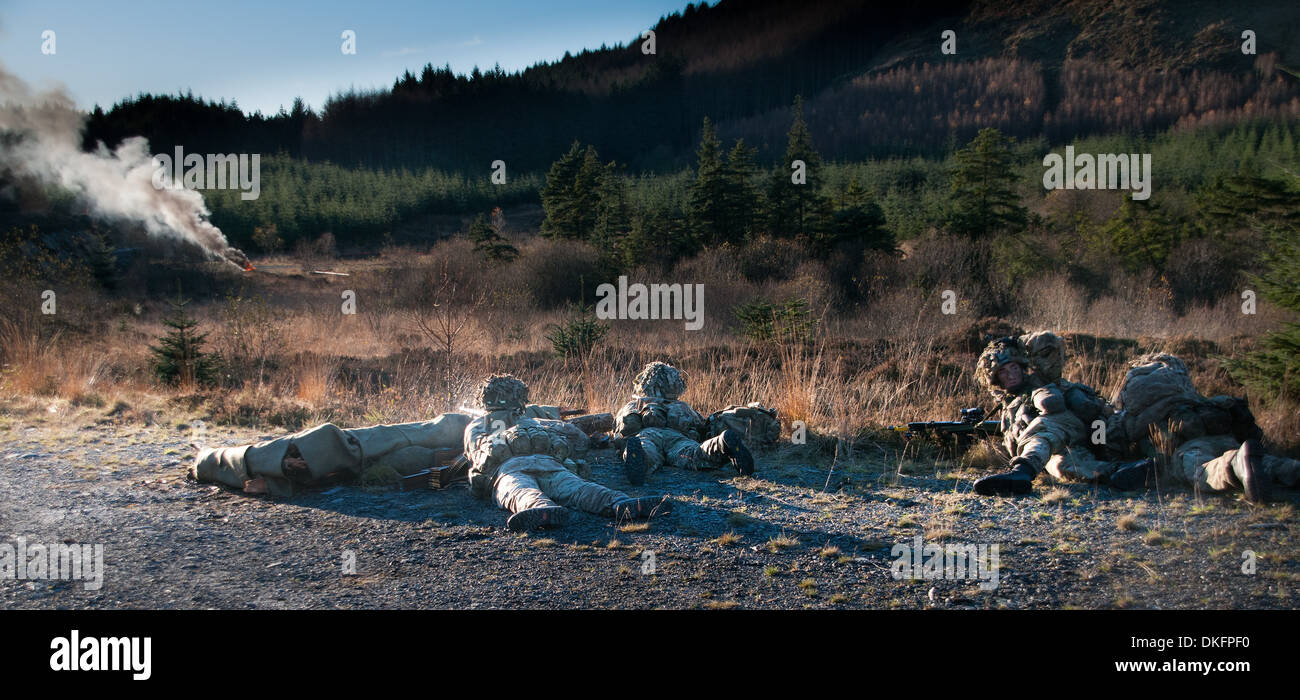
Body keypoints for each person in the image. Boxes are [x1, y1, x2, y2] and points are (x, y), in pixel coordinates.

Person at [464, 374, 672, 531]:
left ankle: (542, 511)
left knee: (522, 493)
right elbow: (575, 437)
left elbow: (475, 453)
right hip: (549, 463)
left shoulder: (477, 424)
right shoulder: (532, 421)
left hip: (509, 470)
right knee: (579, 489)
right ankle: (619, 502)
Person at [1105, 353, 1300, 504]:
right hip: (1225, 436)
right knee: (1263, 462)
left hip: (1190, 448)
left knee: (1202, 473)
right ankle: (1289, 469)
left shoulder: (1136, 416)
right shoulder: (1191, 396)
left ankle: (1233, 464)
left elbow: (1114, 443)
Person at [971, 337, 1153, 496]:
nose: (1010, 375)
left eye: (1013, 367)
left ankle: (1022, 470)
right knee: (1060, 466)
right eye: (1003, 371)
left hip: (1074, 432)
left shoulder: (1042, 388)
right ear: (996, 379)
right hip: (1062, 450)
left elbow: (1061, 410)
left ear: (1022, 367)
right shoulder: (1010, 403)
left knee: (1044, 428)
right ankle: (1123, 471)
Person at [614, 361, 756, 485]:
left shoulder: (635, 404)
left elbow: (621, 428)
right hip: (678, 438)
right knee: (694, 454)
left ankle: (640, 458)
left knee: (647, 452)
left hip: (647, 435)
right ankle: (720, 444)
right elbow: (701, 425)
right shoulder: (681, 406)